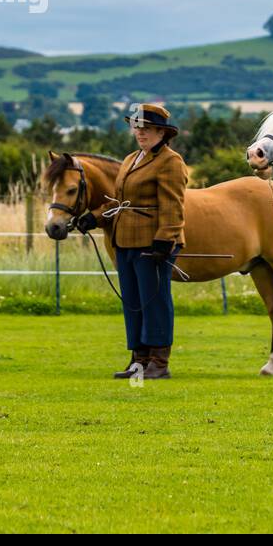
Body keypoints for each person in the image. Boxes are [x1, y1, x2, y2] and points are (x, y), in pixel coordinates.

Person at [78, 103, 188, 380]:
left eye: (147, 129)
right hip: (124, 240)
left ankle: (159, 362)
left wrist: (165, 239)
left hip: (153, 243)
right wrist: (94, 217)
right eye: (137, 127)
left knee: (155, 300)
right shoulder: (130, 159)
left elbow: (174, 205)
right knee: (133, 301)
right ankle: (138, 359)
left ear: (162, 132)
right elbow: (120, 202)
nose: (140, 133)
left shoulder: (170, 161)